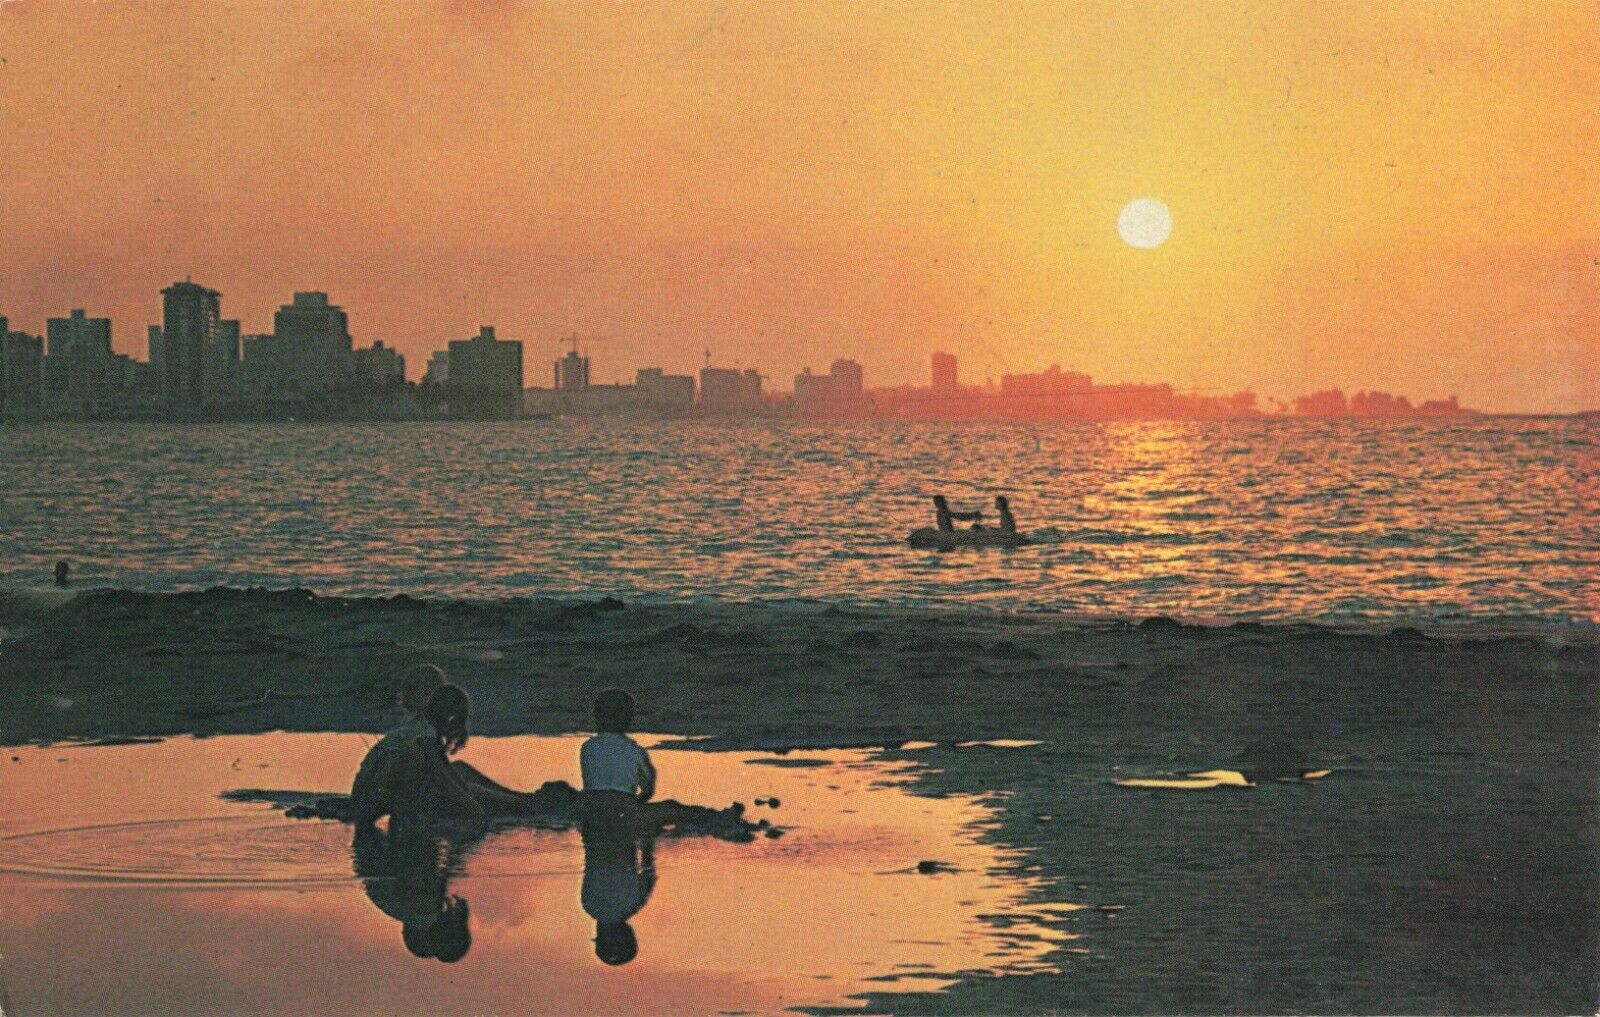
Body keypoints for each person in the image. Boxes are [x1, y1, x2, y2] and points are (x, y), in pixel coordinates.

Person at [579, 688, 657, 835]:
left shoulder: (587, 747)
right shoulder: (635, 750)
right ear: (628, 720)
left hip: (592, 813)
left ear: (596, 717)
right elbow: (648, 790)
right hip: (624, 812)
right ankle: (647, 854)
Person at [581, 830, 656, 966]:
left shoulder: (633, 903)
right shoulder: (588, 905)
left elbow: (647, 861)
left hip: (624, 832)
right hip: (594, 829)